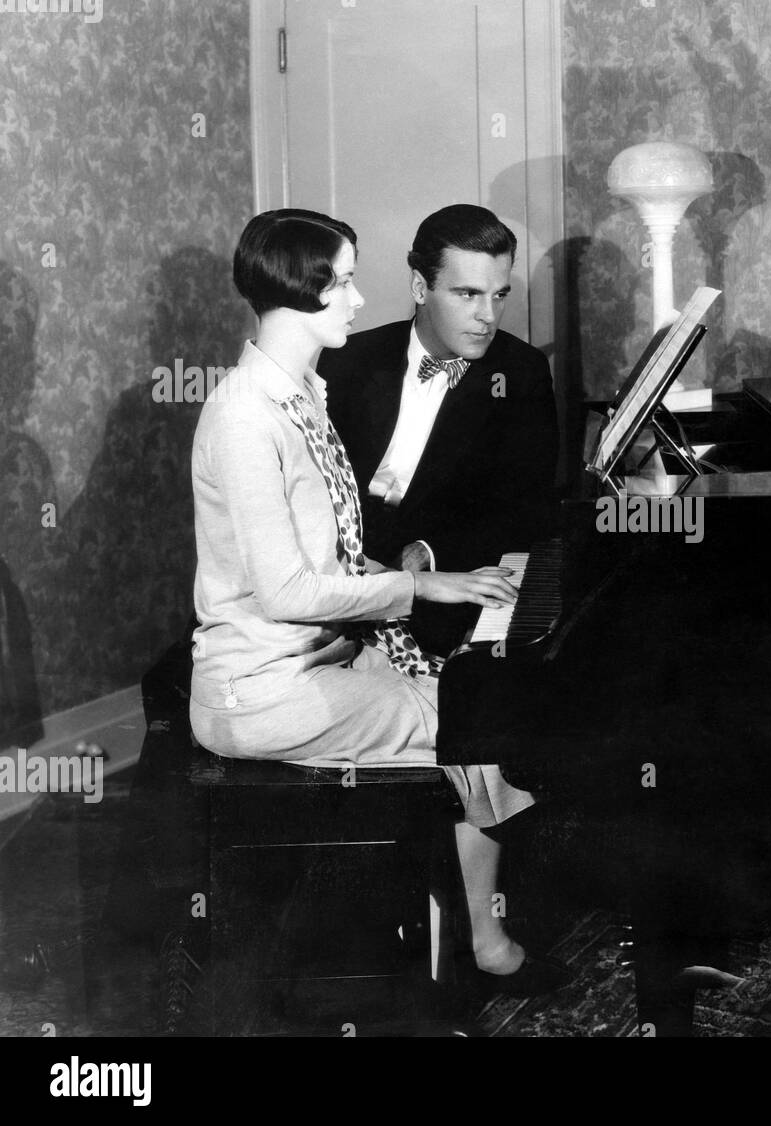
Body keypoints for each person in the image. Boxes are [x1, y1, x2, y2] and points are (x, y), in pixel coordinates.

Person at [189, 208, 565, 992]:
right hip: (266, 683)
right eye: (346, 281)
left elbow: (325, 559)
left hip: (312, 654)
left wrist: (383, 601)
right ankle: (437, 964)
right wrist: (412, 590)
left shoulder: (300, 397)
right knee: (480, 729)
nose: (361, 301)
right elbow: (286, 587)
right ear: (305, 291)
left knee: (475, 705)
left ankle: (431, 945)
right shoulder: (246, 413)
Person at [316, 205, 557, 657]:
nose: (488, 315)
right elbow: (320, 486)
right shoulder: (349, 357)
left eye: (499, 294)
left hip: (447, 564)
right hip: (342, 556)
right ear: (420, 287)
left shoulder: (522, 372)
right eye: (468, 294)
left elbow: (529, 507)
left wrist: (428, 552)